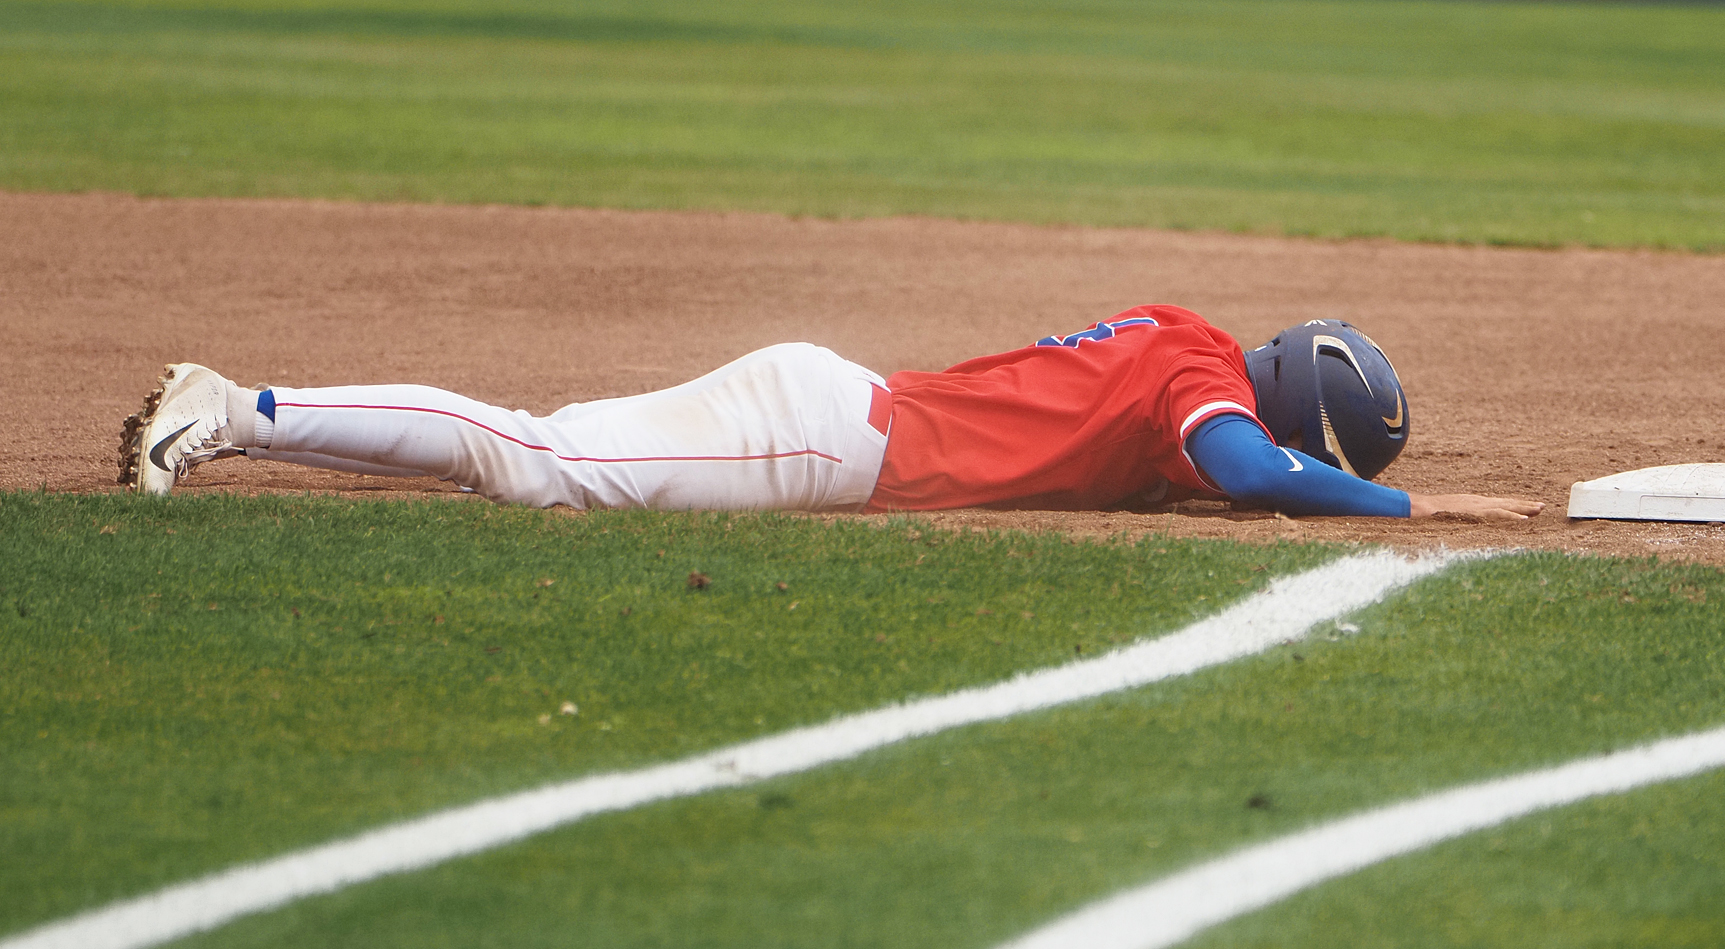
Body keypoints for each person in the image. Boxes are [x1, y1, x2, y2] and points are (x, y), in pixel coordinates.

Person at [121, 305, 1543, 522]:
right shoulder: (1206, 389)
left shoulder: (1183, 332)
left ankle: (246, 411)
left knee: (540, 443)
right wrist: (1396, 504)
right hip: (833, 443)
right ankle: (234, 409)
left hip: (834, 397)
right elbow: (1240, 466)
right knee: (539, 460)